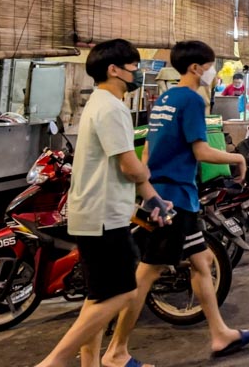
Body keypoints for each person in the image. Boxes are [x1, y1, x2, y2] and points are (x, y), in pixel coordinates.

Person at [105, 41, 249, 363]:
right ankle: (116, 352)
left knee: (202, 261)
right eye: (211, 65)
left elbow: (147, 151)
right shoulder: (191, 100)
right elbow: (201, 151)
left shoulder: (164, 98)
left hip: (167, 193)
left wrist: (149, 188)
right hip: (175, 198)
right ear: (196, 68)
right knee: (147, 273)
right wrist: (238, 158)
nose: (213, 72)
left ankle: (220, 333)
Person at [35, 40, 169, 367]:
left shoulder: (98, 103)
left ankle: (90, 363)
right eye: (134, 65)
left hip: (96, 213)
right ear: (114, 69)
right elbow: (128, 165)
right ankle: (53, 362)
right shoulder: (112, 107)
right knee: (123, 292)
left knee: (98, 296)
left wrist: (151, 198)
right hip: (103, 217)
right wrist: (147, 174)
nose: (137, 71)